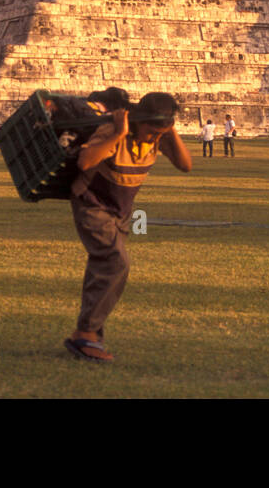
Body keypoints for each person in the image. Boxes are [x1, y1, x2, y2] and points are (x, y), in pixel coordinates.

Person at [64, 92, 192, 363]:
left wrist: (169, 130)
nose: (154, 138)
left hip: (120, 212)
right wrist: (119, 133)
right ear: (139, 120)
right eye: (151, 131)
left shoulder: (157, 137)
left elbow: (185, 165)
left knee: (105, 269)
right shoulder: (113, 130)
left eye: (159, 133)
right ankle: (85, 334)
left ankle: (90, 336)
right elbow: (85, 162)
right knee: (115, 261)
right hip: (92, 204)